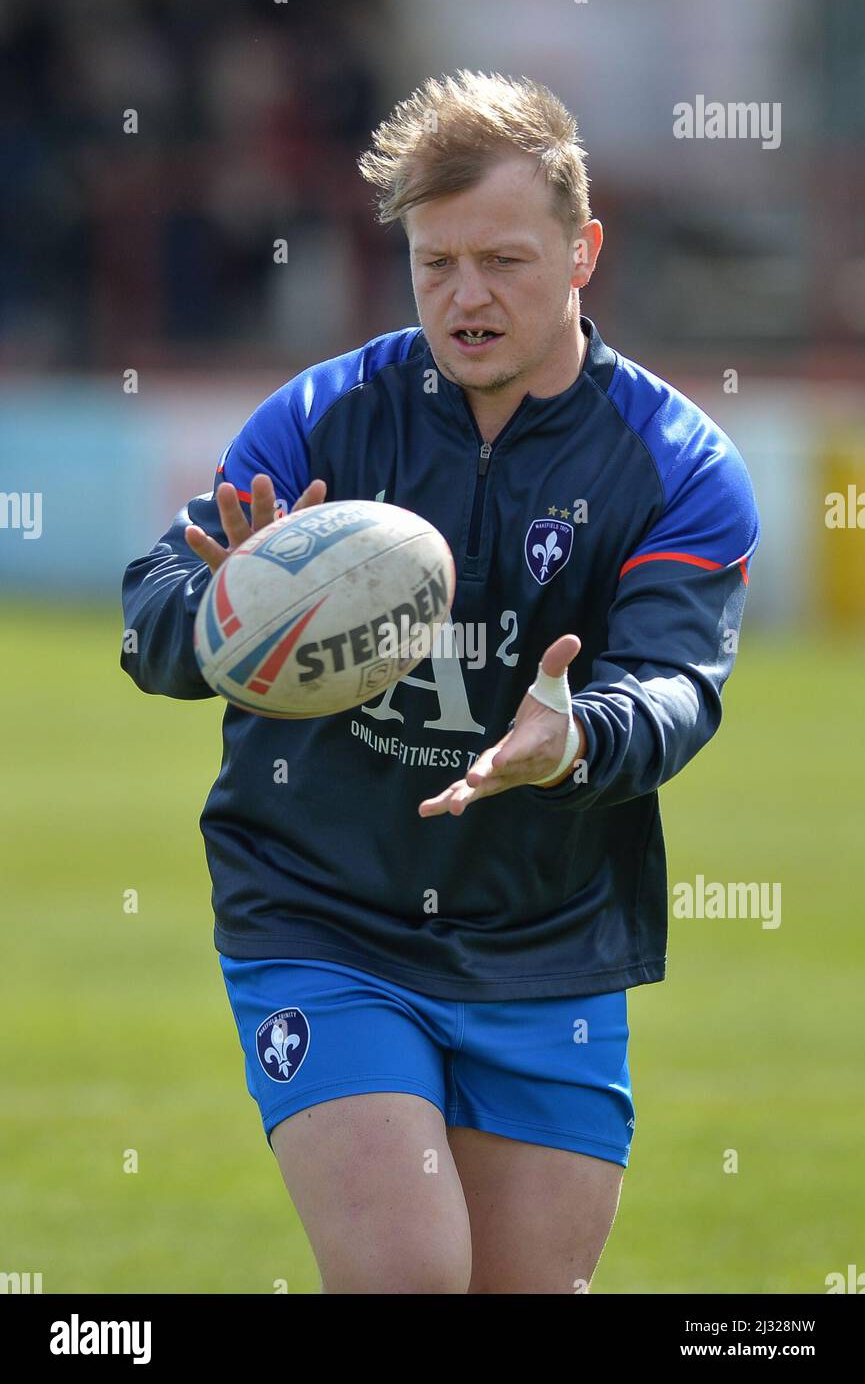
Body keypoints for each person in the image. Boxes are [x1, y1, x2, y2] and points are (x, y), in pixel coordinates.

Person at [121, 69, 760, 1294]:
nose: (464, 297)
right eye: (434, 263)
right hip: (323, 914)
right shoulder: (318, 420)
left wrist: (575, 743)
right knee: (409, 1278)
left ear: (583, 252)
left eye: (505, 261)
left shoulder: (677, 464)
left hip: (549, 943)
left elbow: (677, 686)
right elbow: (151, 604)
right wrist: (221, 609)